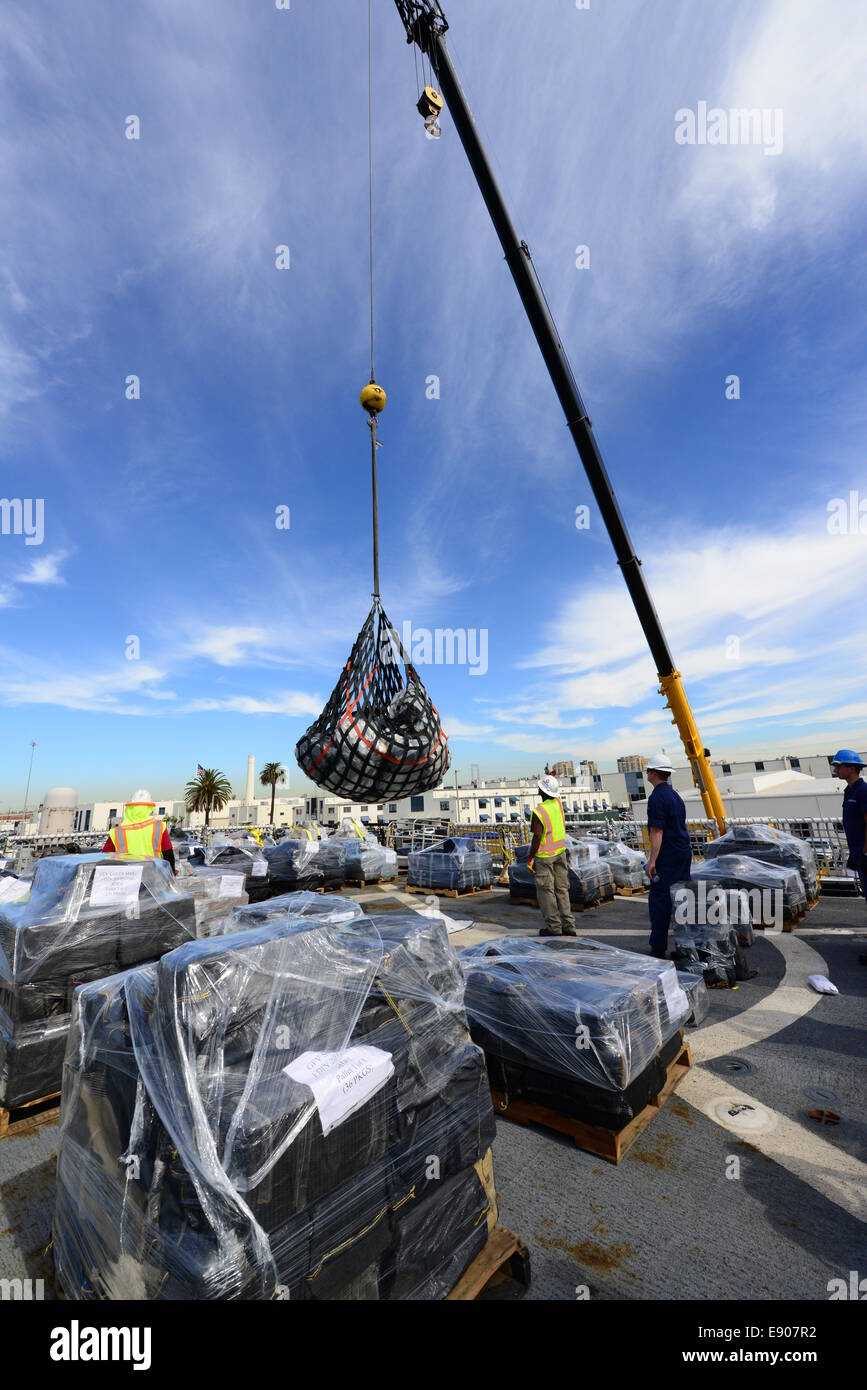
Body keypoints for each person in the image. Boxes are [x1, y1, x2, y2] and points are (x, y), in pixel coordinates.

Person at [644, 750, 691, 958]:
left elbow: (657, 831)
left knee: (660, 900)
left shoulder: (656, 798)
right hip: (682, 853)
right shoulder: (674, 796)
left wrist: (652, 861)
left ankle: (658, 947)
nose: (646, 772)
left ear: (654, 773)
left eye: (648, 769)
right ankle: (685, 946)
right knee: (682, 900)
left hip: (668, 857)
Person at [526, 773, 576, 937]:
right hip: (560, 853)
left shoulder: (539, 811)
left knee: (546, 891)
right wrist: (551, 777)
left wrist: (530, 857)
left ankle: (554, 927)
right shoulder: (558, 804)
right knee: (562, 889)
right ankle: (569, 925)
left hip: (545, 857)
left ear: (541, 791)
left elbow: (537, 837)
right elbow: (554, 792)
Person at [102, 790, 176, 874]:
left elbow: (105, 858)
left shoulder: (117, 832)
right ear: (150, 808)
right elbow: (169, 856)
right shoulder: (159, 827)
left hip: (127, 879)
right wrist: (172, 877)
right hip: (155, 878)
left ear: (130, 808)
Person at [832, 750, 867, 908]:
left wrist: (865, 853)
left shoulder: (863, 791)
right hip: (858, 851)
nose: (835, 770)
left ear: (851, 768)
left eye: (838, 766)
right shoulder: (849, 792)